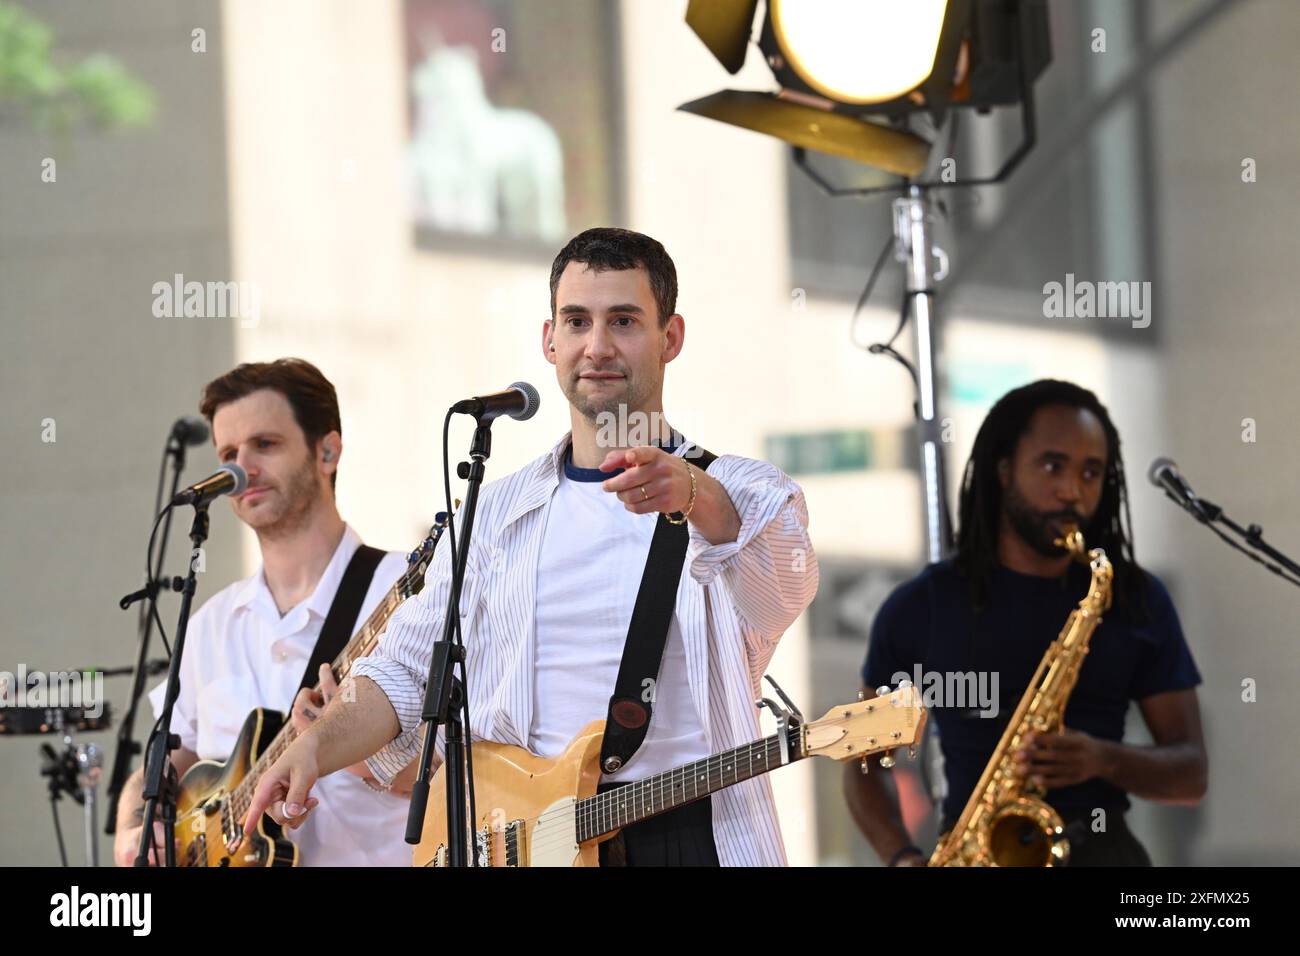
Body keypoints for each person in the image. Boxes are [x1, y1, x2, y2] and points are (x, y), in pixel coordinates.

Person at [246, 228, 819, 865]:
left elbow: (786, 585)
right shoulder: (492, 514)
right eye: (577, 321)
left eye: (623, 321)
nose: (596, 346)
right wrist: (312, 749)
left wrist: (694, 493)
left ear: (671, 337)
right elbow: (402, 672)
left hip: (690, 835)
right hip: (524, 838)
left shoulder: (738, 490)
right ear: (550, 341)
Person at [846, 379, 1206, 866]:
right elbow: (863, 765)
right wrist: (902, 858)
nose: (1072, 491)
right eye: (1053, 465)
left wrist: (1102, 758)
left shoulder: (1134, 599)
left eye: (1091, 472)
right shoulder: (920, 606)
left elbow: (1190, 775)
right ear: (1003, 470)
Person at [113, 358, 414, 866]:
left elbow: (461, 769)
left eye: (264, 444)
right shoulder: (209, 623)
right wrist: (132, 832)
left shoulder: (408, 589)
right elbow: (166, 758)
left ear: (327, 450)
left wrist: (355, 740)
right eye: (228, 452)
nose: (241, 469)